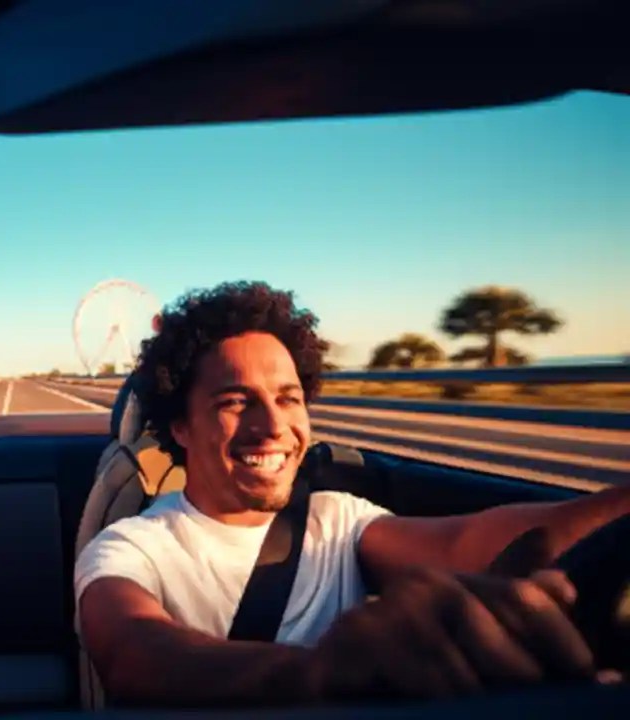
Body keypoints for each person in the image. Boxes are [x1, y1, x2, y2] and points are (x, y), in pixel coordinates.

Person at [75, 281, 628, 707]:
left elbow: (472, 539)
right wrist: (322, 670)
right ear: (181, 428)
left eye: (289, 399)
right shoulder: (130, 547)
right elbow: (134, 650)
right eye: (235, 402)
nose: (273, 426)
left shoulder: (338, 521)